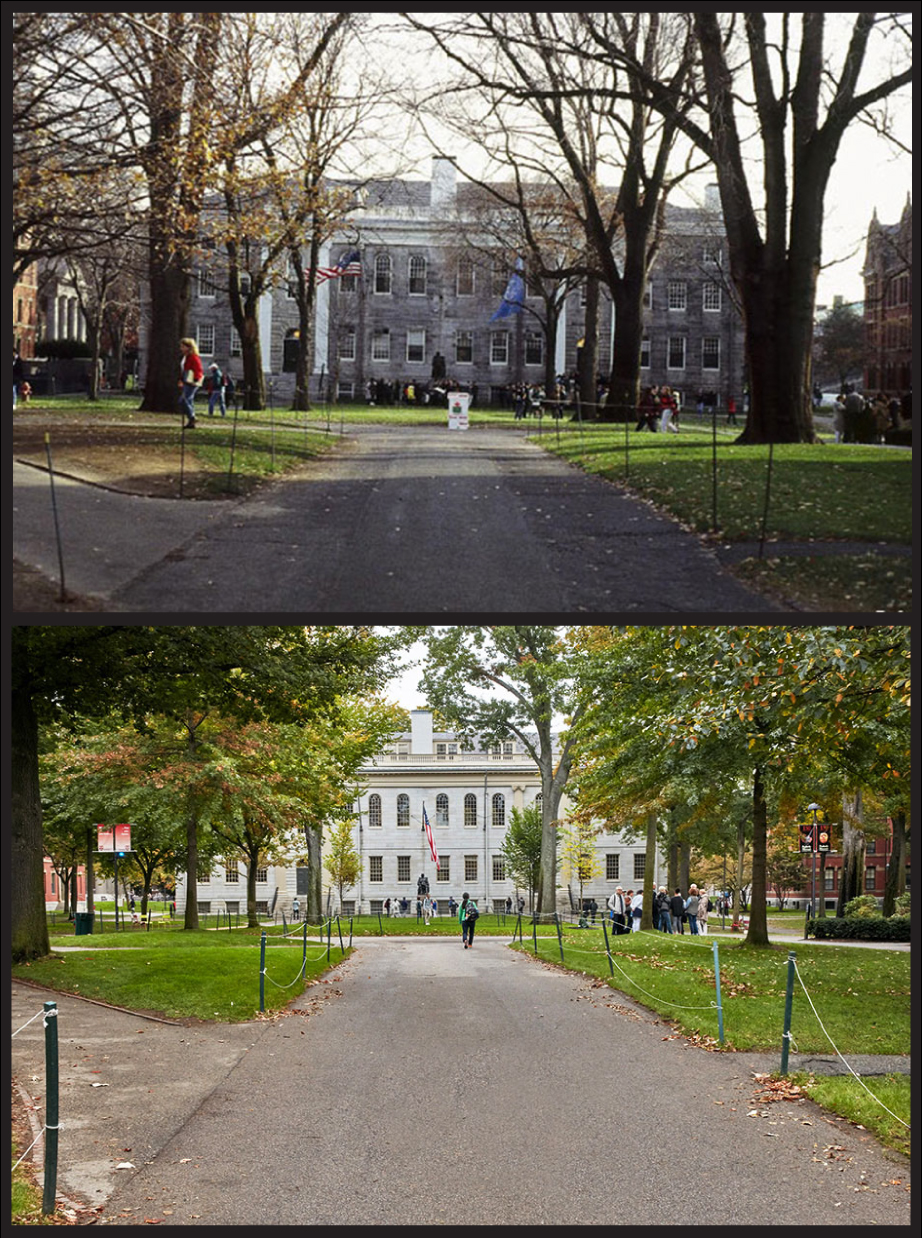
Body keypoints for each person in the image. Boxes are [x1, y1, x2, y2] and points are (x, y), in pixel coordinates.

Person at [179, 338, 204, 428]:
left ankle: (192, 417)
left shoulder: (193, 357)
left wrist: (196, 379)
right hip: (187, 380)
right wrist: (181, 380)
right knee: (189, 401)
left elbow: (198, 369)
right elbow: (184, 370)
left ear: (189, 347)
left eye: (183, 346)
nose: (181, 348)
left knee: (183, 400)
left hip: (192, 381)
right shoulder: (186, 357)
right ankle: (191, 422)